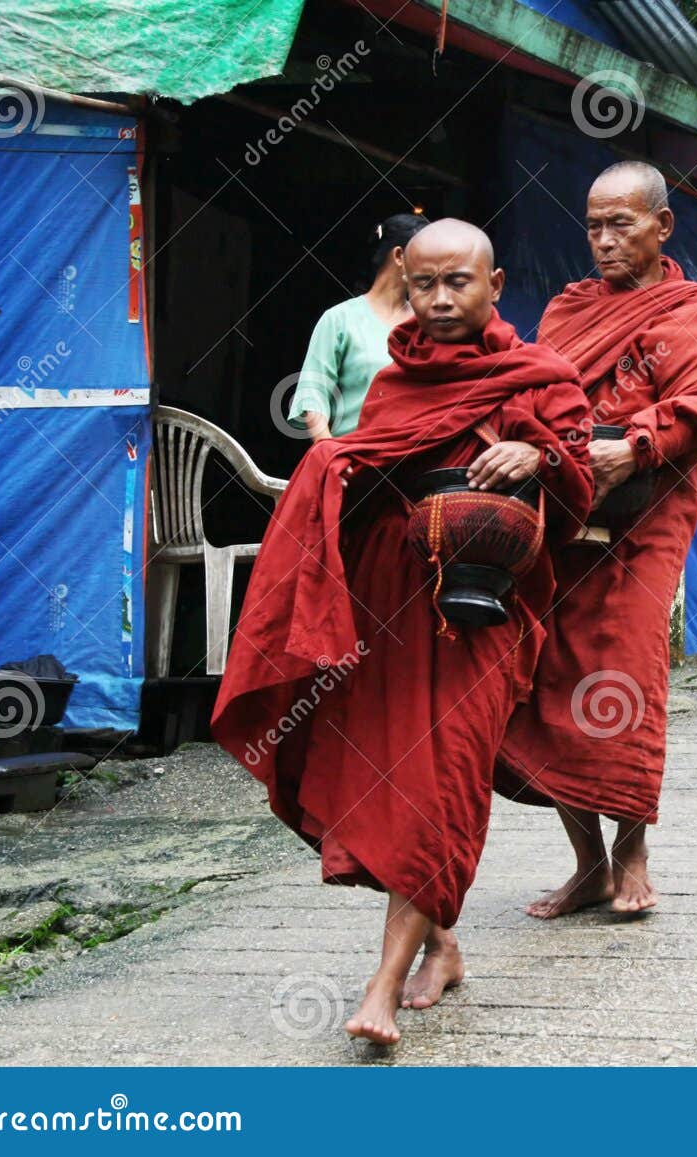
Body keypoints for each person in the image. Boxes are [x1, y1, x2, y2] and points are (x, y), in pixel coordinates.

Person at [211, 220, 594, 1044]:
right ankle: (443, 946)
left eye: (459, 281)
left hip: (485, 612)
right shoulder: (394, 381)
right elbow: (372, 471)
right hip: (395, 604)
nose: (442, 299)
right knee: (397, 777)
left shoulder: (540, 374)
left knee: (444, 775)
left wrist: (541, 460)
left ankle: (380, 987)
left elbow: (579, 484)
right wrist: (337, 467)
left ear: (496, 284)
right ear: (403, 286)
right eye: (425, 284)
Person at [495, 162, 697, 918]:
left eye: (620, 225)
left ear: (662, 227)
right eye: (594, 226)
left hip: (650, 507)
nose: (603, 241)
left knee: (627, 671)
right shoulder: (570, 308)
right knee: (551, 669)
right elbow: (533, 395)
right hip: (567, 509)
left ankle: (633, 852)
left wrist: (632, 446)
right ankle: (588, 863)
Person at [288, 212, 429, 440]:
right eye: (428, 256)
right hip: (352, 461)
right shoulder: (340, 319)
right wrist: (330, 458)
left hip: (413, 465)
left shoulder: (428, 325)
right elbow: (313, 396)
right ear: (399, 256)